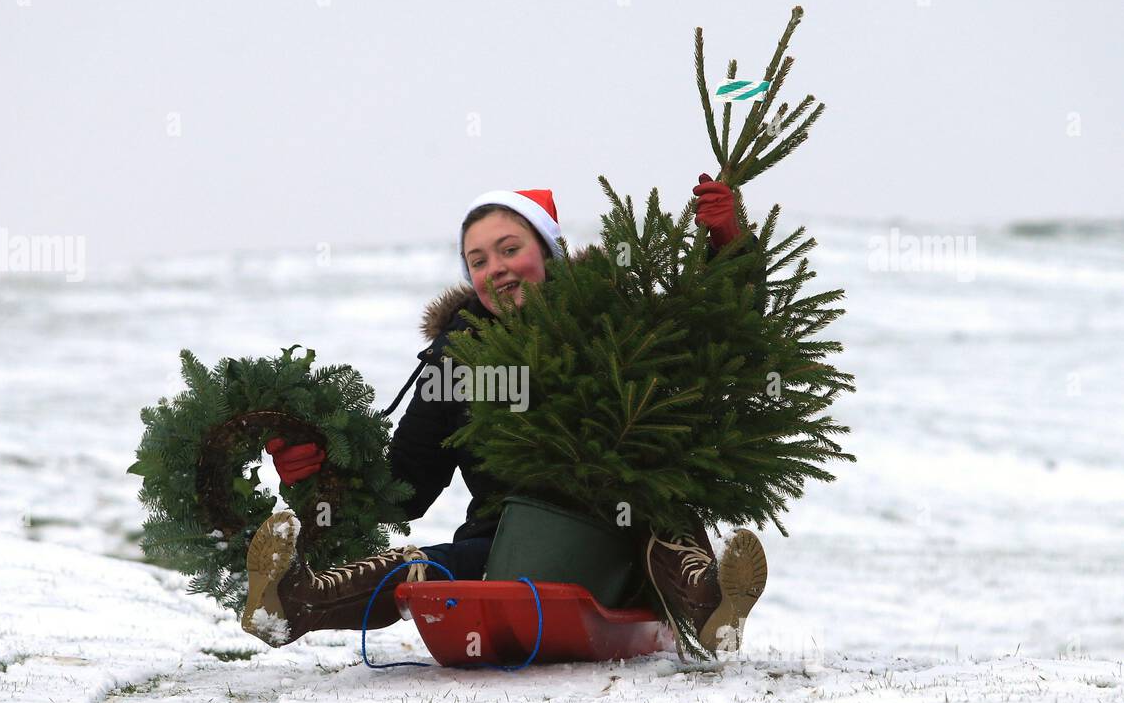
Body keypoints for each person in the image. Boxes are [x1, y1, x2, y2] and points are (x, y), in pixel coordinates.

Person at [242, 177, 767, 653]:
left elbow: (718, 339)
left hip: (622, 542)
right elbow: (407, 484)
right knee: (432, 566)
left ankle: (707, 608)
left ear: (548, 252)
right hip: (506, 542)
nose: (496, 269)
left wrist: (729, 249)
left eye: (510, 249)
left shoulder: (617, 324)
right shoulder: (458, 363)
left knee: (658, 510)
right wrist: (319, 472)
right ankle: (294, 605)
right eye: (478, 261)